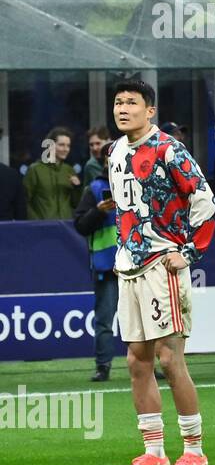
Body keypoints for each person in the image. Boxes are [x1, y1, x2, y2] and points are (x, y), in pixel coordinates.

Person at [106, 79, 215, 465]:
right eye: (118, 102)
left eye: (131, 102)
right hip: (127, 264)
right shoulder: (115, 150)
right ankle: (153, 451)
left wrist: (187, 252)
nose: (122, 108)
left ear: (149, 111)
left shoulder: (169, 148)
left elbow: (204, 198)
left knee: (170, 359)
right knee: (137, 361)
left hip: (160, 264)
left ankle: (195, 451)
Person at [73, 140, 120, 381]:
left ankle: (147, 366)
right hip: (107, 266)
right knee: (104, 320)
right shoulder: (93, 189)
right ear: (105, 161)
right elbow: (80, 225)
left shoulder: (137, 184)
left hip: (137, 265)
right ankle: (103, 366)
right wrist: (99, 211)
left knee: (143, 323)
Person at [25, 126, 80, 220]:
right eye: (61, 145)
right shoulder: (35, 170)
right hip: (42, 228)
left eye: (68, 145)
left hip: (66, 228)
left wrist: (77, 187)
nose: (66, 149)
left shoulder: (69, 170)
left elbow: (76, 204)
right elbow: (25, 201)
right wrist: (35, 223)